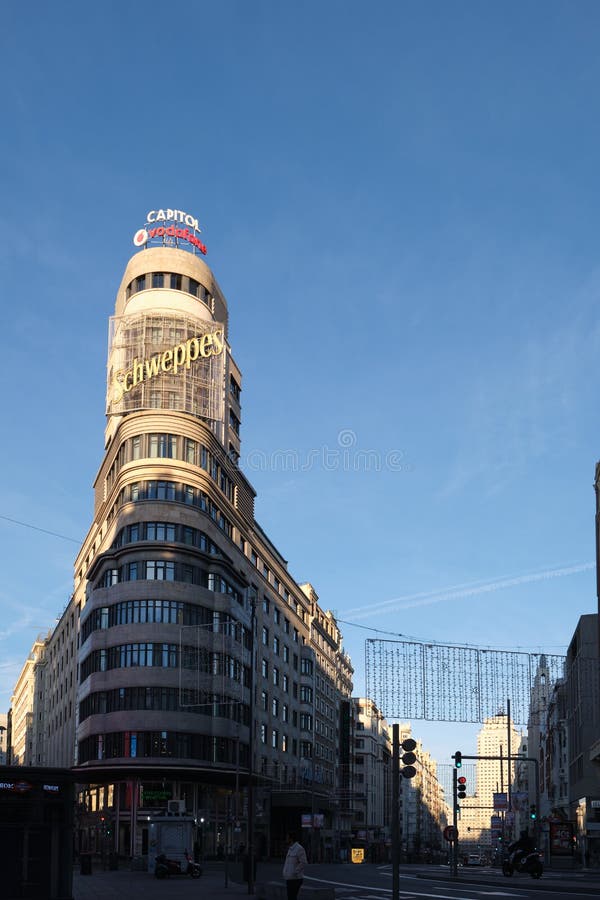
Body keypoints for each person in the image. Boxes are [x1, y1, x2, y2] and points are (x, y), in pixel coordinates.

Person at [283, 831, 307, 900]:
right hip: (289, 878)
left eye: (287, 838)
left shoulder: (299, 848)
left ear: (291, 839)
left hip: (296, 878)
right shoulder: (290, 849)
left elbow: (303, 862)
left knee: (292, 897)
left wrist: (295, 872)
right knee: (290, 897)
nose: (286, 839)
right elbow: (288, 863)